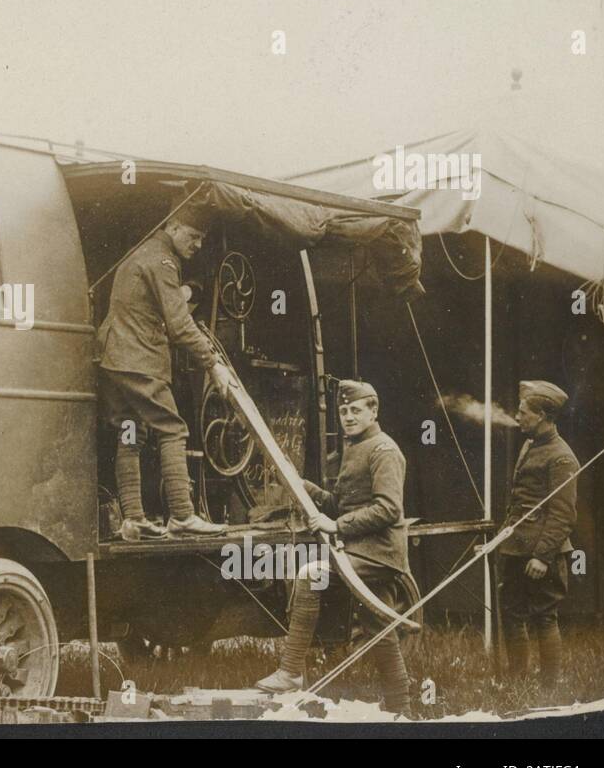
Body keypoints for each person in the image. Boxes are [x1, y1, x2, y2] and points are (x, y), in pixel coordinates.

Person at [255, 380, 414, 716]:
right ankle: (403, 710)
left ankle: (291, 671)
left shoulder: (384, 450)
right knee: (380, 630)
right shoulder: (353, 448)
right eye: (343, 411)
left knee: (311, 575)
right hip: (359, 550)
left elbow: (389, 509)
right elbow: (340, 504)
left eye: (356, 410)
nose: (348, 417)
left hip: (379, 552)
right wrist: (305, 487)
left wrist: (336, 526)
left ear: (374, 410)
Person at [97, 201, 233, 541]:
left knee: (130, 430)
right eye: (193, 235)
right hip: (139, 358)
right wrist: (213, 363)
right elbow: (179, 325)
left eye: (202, 238)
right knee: (173, 429)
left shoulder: (142, 255)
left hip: (114, 358)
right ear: (173, 227)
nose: (198, 244)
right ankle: (183, 517)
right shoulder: (162, 260)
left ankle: (134, 519)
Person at [497, 380, 579, 694]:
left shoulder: (561, 457)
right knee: (513, 614)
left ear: (543, 415)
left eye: (523, 413)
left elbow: (563, 515)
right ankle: (517, 681)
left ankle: (550, 687)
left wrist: (542, 556)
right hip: (517, 548)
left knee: (544, 616)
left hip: (541, 554)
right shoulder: (529, 445)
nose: (518, 418)